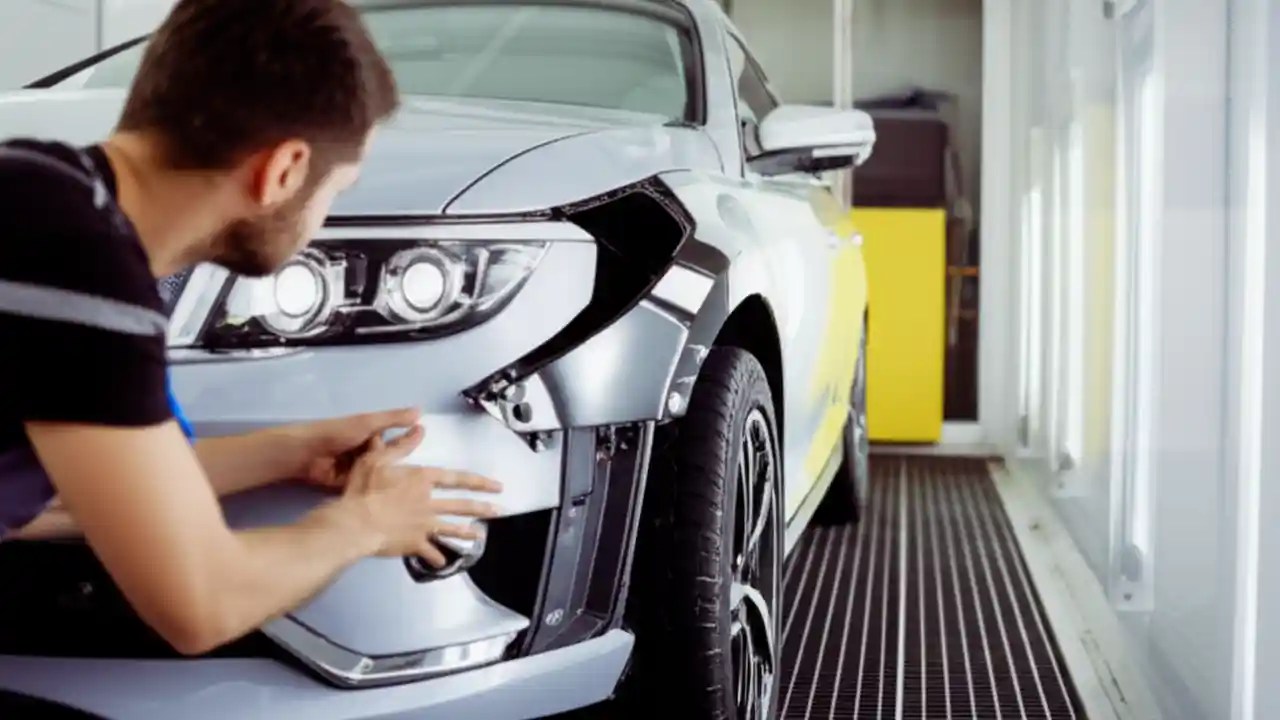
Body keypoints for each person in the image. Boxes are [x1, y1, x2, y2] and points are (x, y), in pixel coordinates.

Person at [0, 0, 503, 657]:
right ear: (282, 171)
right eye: (335, 192)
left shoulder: (38, 189)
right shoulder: (81, 273)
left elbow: (73, 494)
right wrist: (366, 524)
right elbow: (202, 604)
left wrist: (290, 452)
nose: (320, 218)